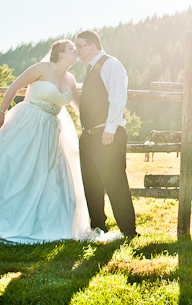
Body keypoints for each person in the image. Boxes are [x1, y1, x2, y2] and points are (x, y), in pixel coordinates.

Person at [0, 39, 102, 244]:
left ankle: (42, 222)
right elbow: (15, 86)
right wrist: (1, 111)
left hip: (51, 130)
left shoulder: (71, 79)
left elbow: (78, 105)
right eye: (72, 49)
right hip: (27, 123)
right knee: (15, 168)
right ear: (61, 53)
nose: (77, 51)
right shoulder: (42, 68)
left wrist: (101, 119)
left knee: (49, 176)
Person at [74, 30, 137, 239]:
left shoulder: (110, 64)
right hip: (89, 135)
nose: (77, 51)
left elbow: (118, 98)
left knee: (115, 182)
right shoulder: (91, 67)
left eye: (80, 46)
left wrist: (110, 130)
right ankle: (98, 228)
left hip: (107, 134)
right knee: (91, 182)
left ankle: (129, 232)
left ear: (93, 45)